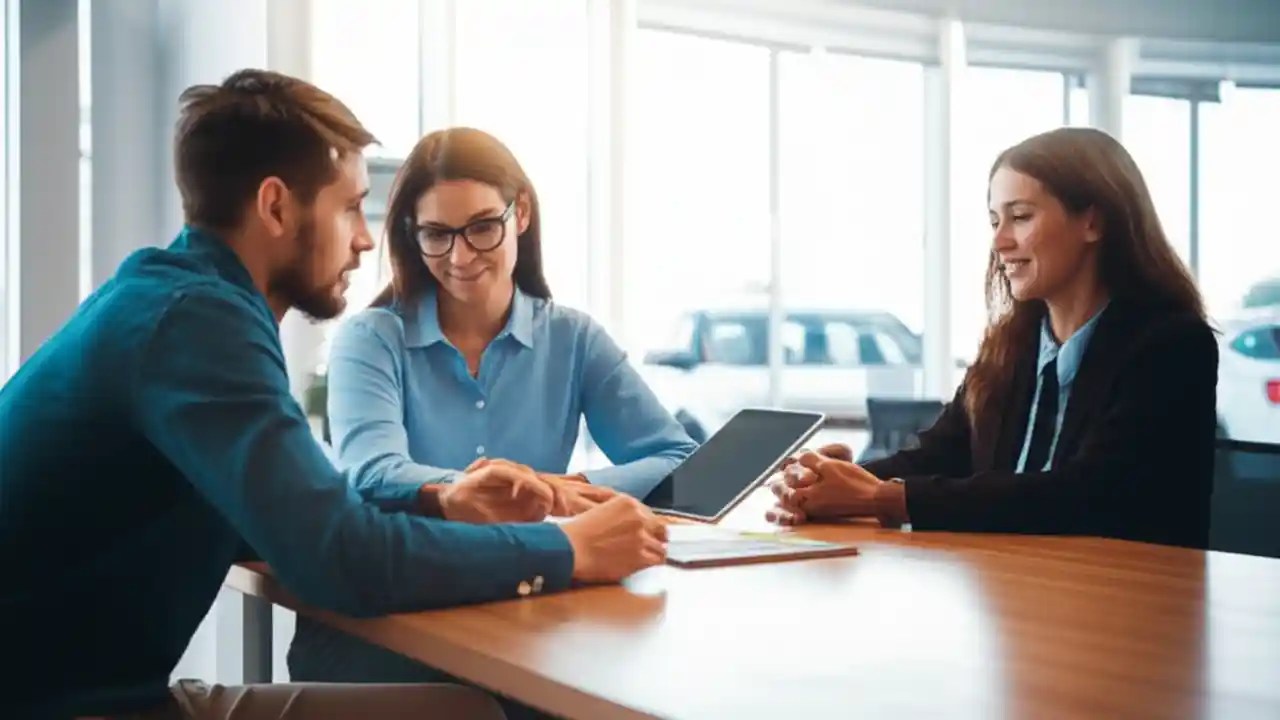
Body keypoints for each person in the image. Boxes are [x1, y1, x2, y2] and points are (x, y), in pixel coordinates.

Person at [0, 69, 668, 720]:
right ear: (275, 206)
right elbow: (335, 556)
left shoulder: (185, 304)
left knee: (462, 710)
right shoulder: (195, 324)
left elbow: (298, 504)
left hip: (91, 695)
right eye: (350, 206)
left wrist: (439, 497)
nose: (365, 238)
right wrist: (570, 550)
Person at [288, 126, 696, 687]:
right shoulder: (372, 338)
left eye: (482, 227)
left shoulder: (574, 339)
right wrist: (485, 491)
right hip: (392, 623)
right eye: (436, 234)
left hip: (529, 614)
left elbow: (677, 456)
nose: (460, 256)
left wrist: (562, 485)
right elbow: (371, 471)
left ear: (519, 214)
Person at [768, 127, 1218, 549]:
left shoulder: (1172, 346)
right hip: (1015, 594)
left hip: (1127, 602)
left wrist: (879, 498)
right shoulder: (1011, 346)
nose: (1000, 242)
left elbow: (1088, 495)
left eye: (1020, 217)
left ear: (1093, 223)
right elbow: (938, 457)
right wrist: (829, 483)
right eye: (993, 221)